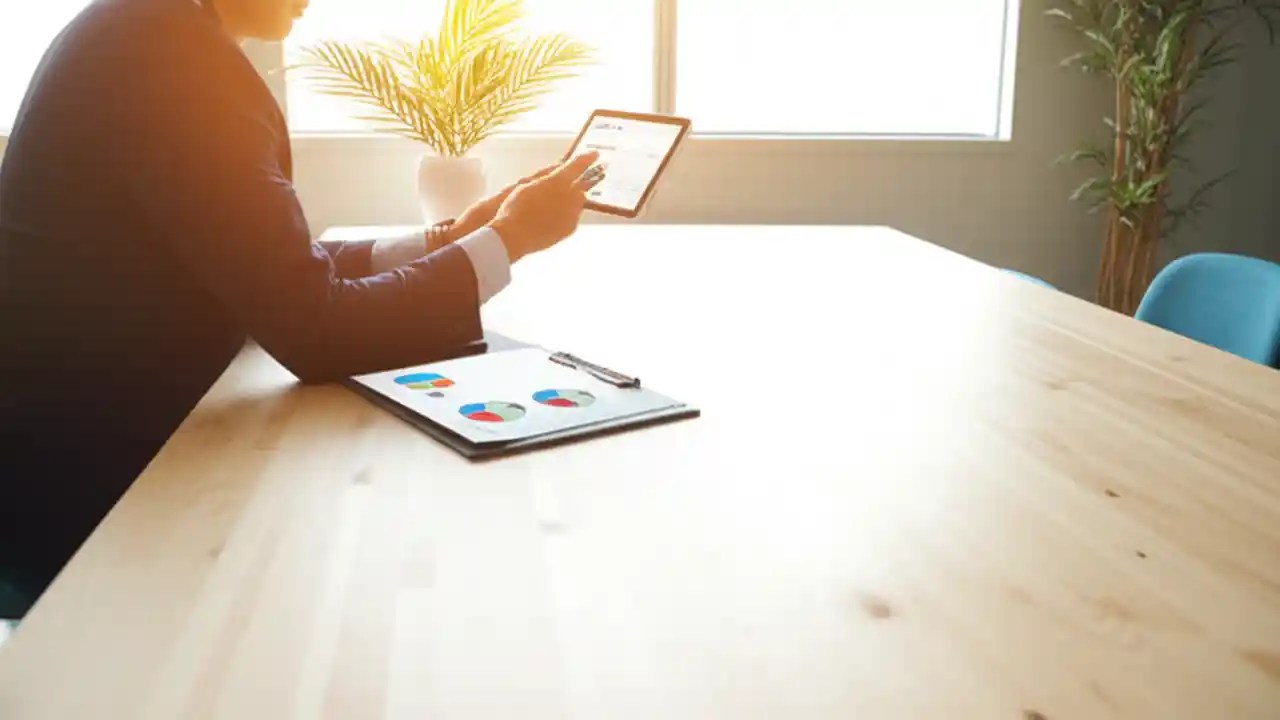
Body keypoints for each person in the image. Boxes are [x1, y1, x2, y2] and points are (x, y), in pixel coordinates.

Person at [0, 0, 600, 615]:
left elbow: (263, 267)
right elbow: (317, 330)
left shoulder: (137, 28)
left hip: (74, 465)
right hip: (94, 507)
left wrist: (447, 239)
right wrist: (512, 239)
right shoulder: (179, 67)